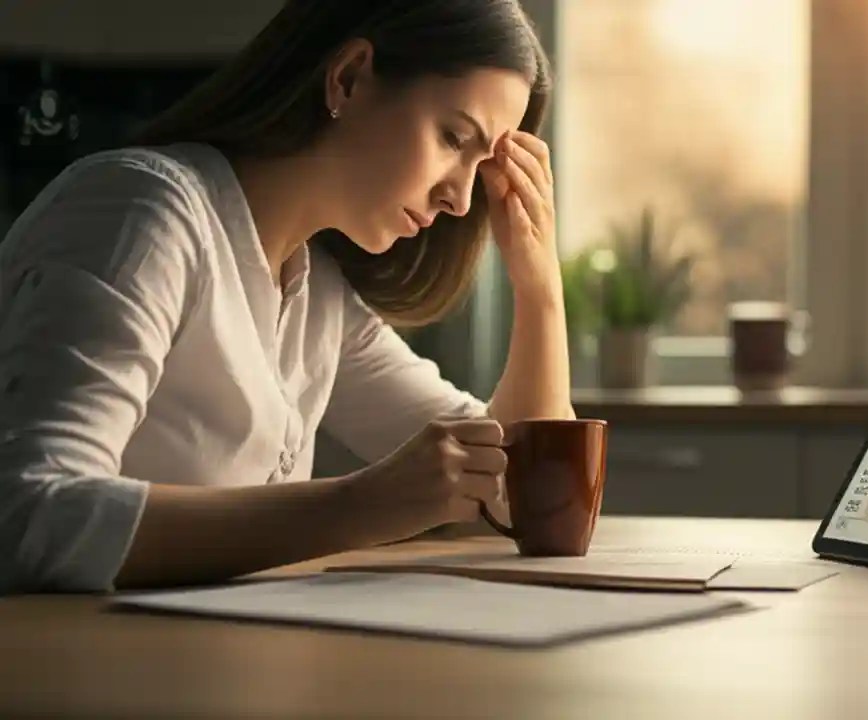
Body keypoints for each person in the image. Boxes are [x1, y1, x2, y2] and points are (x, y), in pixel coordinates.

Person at [0, 0, 572, 594]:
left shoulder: (316, 292)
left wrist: (539, 290)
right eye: (454, 136)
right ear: (349, 78)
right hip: (75, 675)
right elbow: (32, 514)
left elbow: (516, 489)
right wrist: (358, 506)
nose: (459, 199)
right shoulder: (143, 216)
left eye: (481, 165)